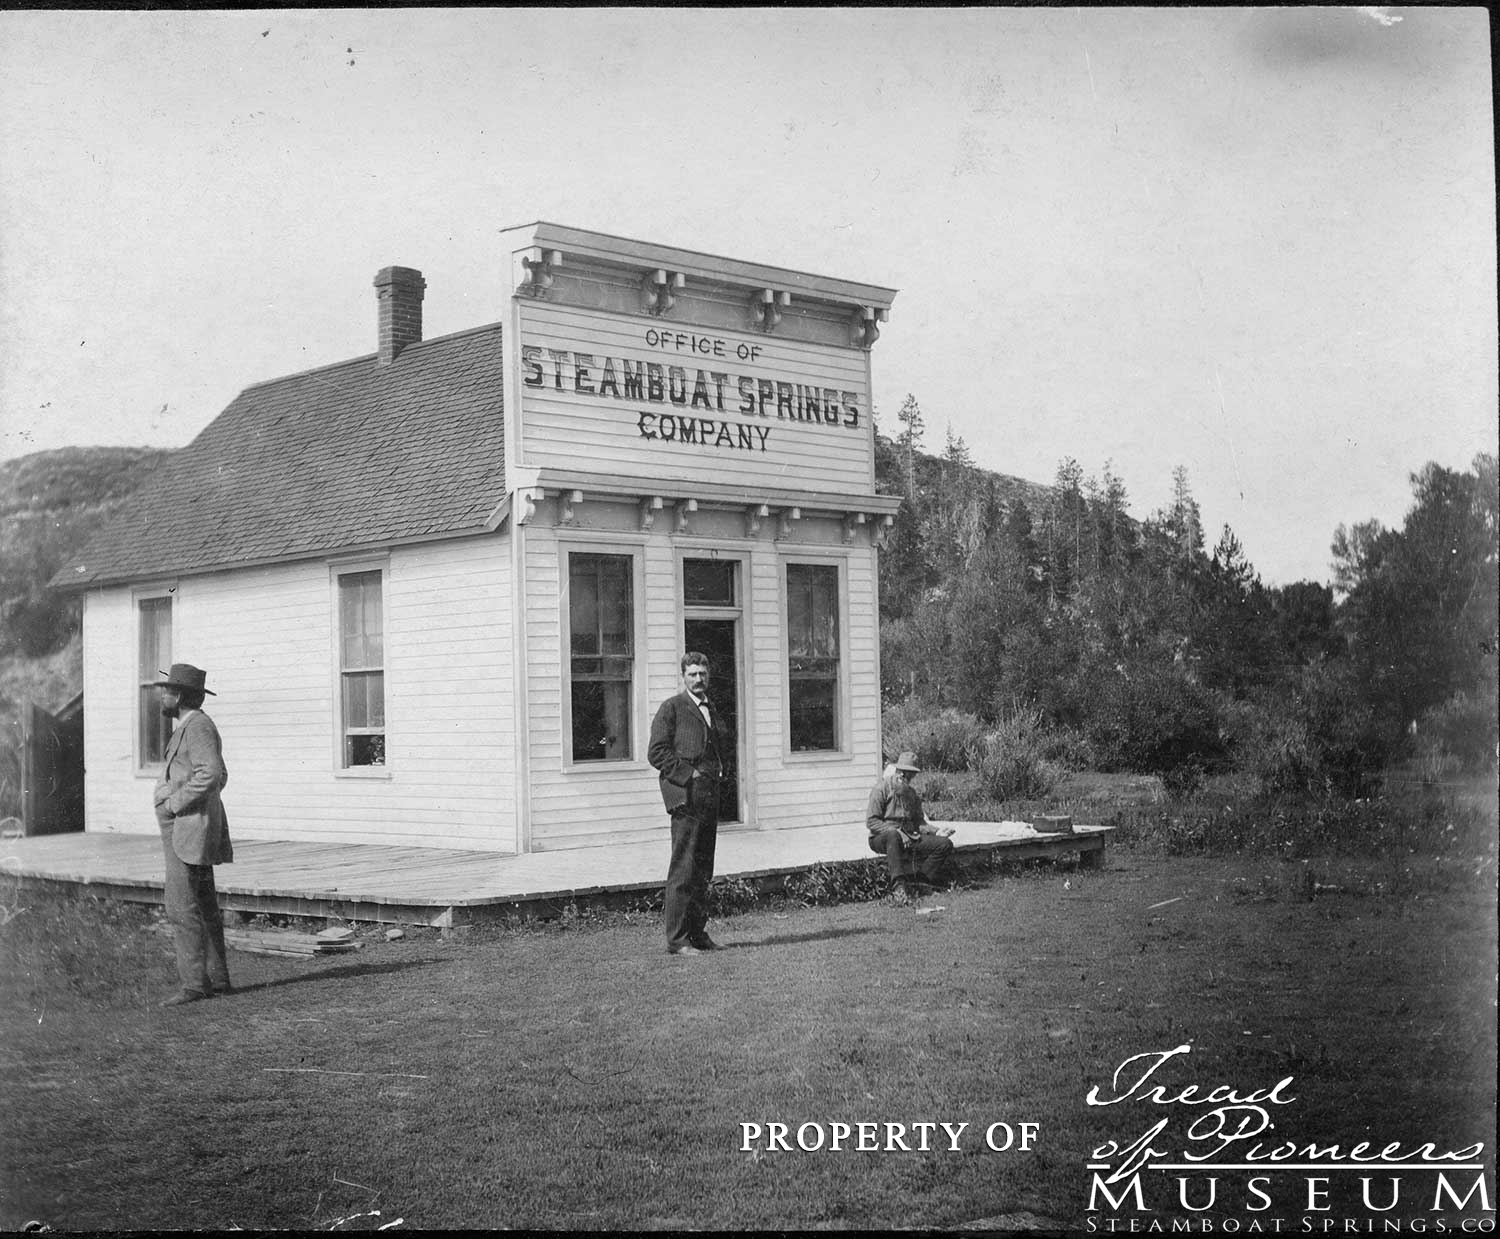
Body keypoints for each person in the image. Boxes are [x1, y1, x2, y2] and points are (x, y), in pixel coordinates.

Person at [152, 663, 234, 1006]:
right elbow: (220, 773)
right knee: (202, 903)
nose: (163, 694)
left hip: (187, 827)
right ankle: (216, 978)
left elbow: (212, 774)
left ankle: (195, 985)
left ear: (181, 696)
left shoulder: (197, 725)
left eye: (168, 690)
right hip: (190, 826)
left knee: (181, 906)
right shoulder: (191, 726)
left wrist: (175, 803)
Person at [648, 652, 723, 956]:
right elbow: (656, 752)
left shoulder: (710, 708)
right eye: (692, 674)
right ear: (683, 676)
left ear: (708, 674)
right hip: (685, 797)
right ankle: (677, 940)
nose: (698, 679)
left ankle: (698, 933)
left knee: (703, 869)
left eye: (702, 673)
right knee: (683, 869)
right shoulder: (672, 708)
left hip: (709, 795)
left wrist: (720, 771)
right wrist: (688, 775)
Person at [866, 751, 954, 905]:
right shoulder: (881, 789)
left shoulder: (911, 794)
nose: (905, 778)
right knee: (893, 836)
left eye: (910, 775)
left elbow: (919, 821)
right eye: (903, 773)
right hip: (882, 838)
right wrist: (898, 833)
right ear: (897, 771)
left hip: (908, 836)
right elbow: (872, 821)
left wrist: (937, 831)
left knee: (944, 844)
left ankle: (920, 882)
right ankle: (899, 887)